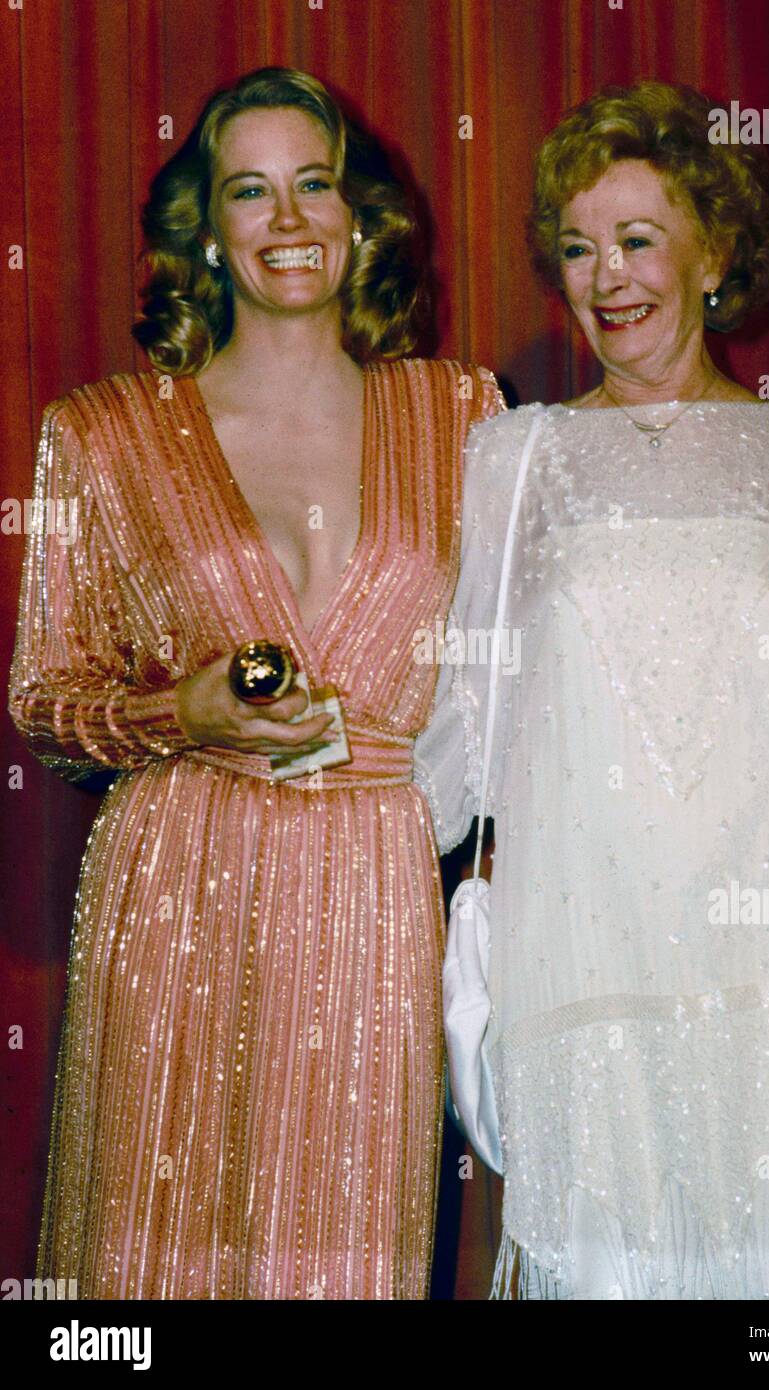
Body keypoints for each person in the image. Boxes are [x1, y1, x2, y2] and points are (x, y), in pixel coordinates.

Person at [414, 80, 769, 1299]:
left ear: (715, 255)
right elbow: (458, 729)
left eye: (637, 239)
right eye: (580, 249)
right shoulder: (511, 456)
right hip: (583, 980)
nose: (606, 278)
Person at [8, 66, 503, 1300]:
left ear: (361, 214)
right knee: (143, 1264)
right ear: (207, 231)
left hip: (376, 891)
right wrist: (187, 710)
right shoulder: (103, 431)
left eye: (314, 184)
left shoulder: (463, 415)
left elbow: (561, 621)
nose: (288, 220)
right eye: (250, 190)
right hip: (176, 877)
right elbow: (44, 697)